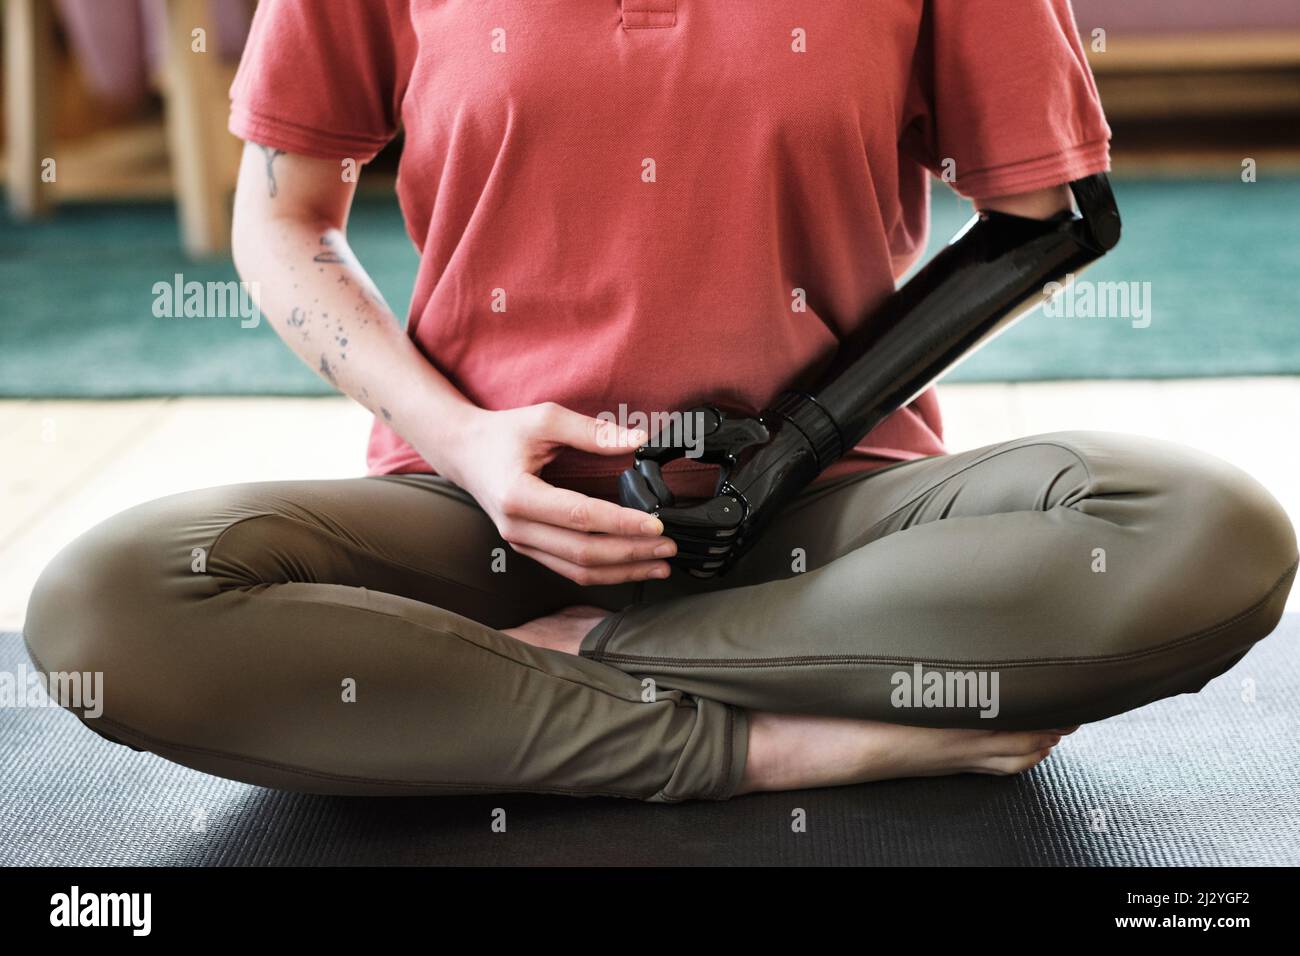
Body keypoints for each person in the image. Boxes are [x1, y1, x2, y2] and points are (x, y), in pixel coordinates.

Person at [24, 0, 1296, 802]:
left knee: (1203, 525)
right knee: (107, 607)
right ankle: (772, 740)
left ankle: (563, 671)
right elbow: (284, 214)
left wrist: (791, 445)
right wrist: (467, 445)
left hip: (832, 531)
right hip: (481, 527)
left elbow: (1047, 218)